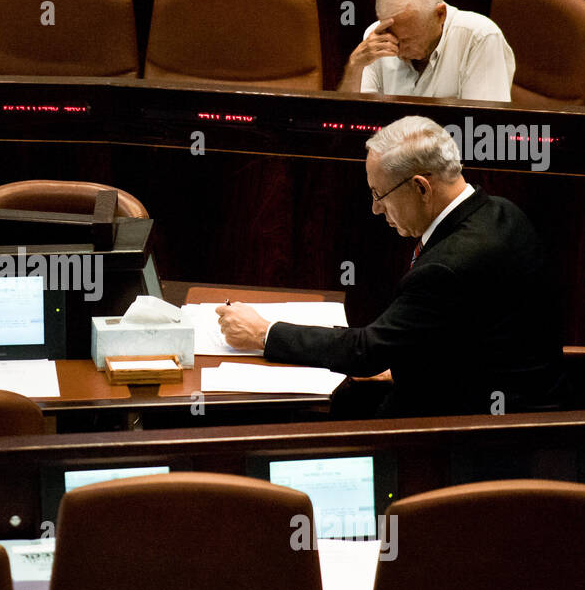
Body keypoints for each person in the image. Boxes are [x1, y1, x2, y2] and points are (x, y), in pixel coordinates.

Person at [216, 115, 565, 417]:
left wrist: (264, 333)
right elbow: (471, 334)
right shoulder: (502, 212)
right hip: (496, 397)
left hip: (472, 432)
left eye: (379, 195)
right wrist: (403, 361)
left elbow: (366, 352)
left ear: (420, 187)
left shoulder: (448, 266)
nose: (376, 209)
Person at [338, 0, 514, 102]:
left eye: (408, 39)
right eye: (393, 38)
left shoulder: (480, 37)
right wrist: (355, 66)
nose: (398, 52)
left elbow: (480, 130)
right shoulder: (376, 37)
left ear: (440, 14)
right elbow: (349, 119)